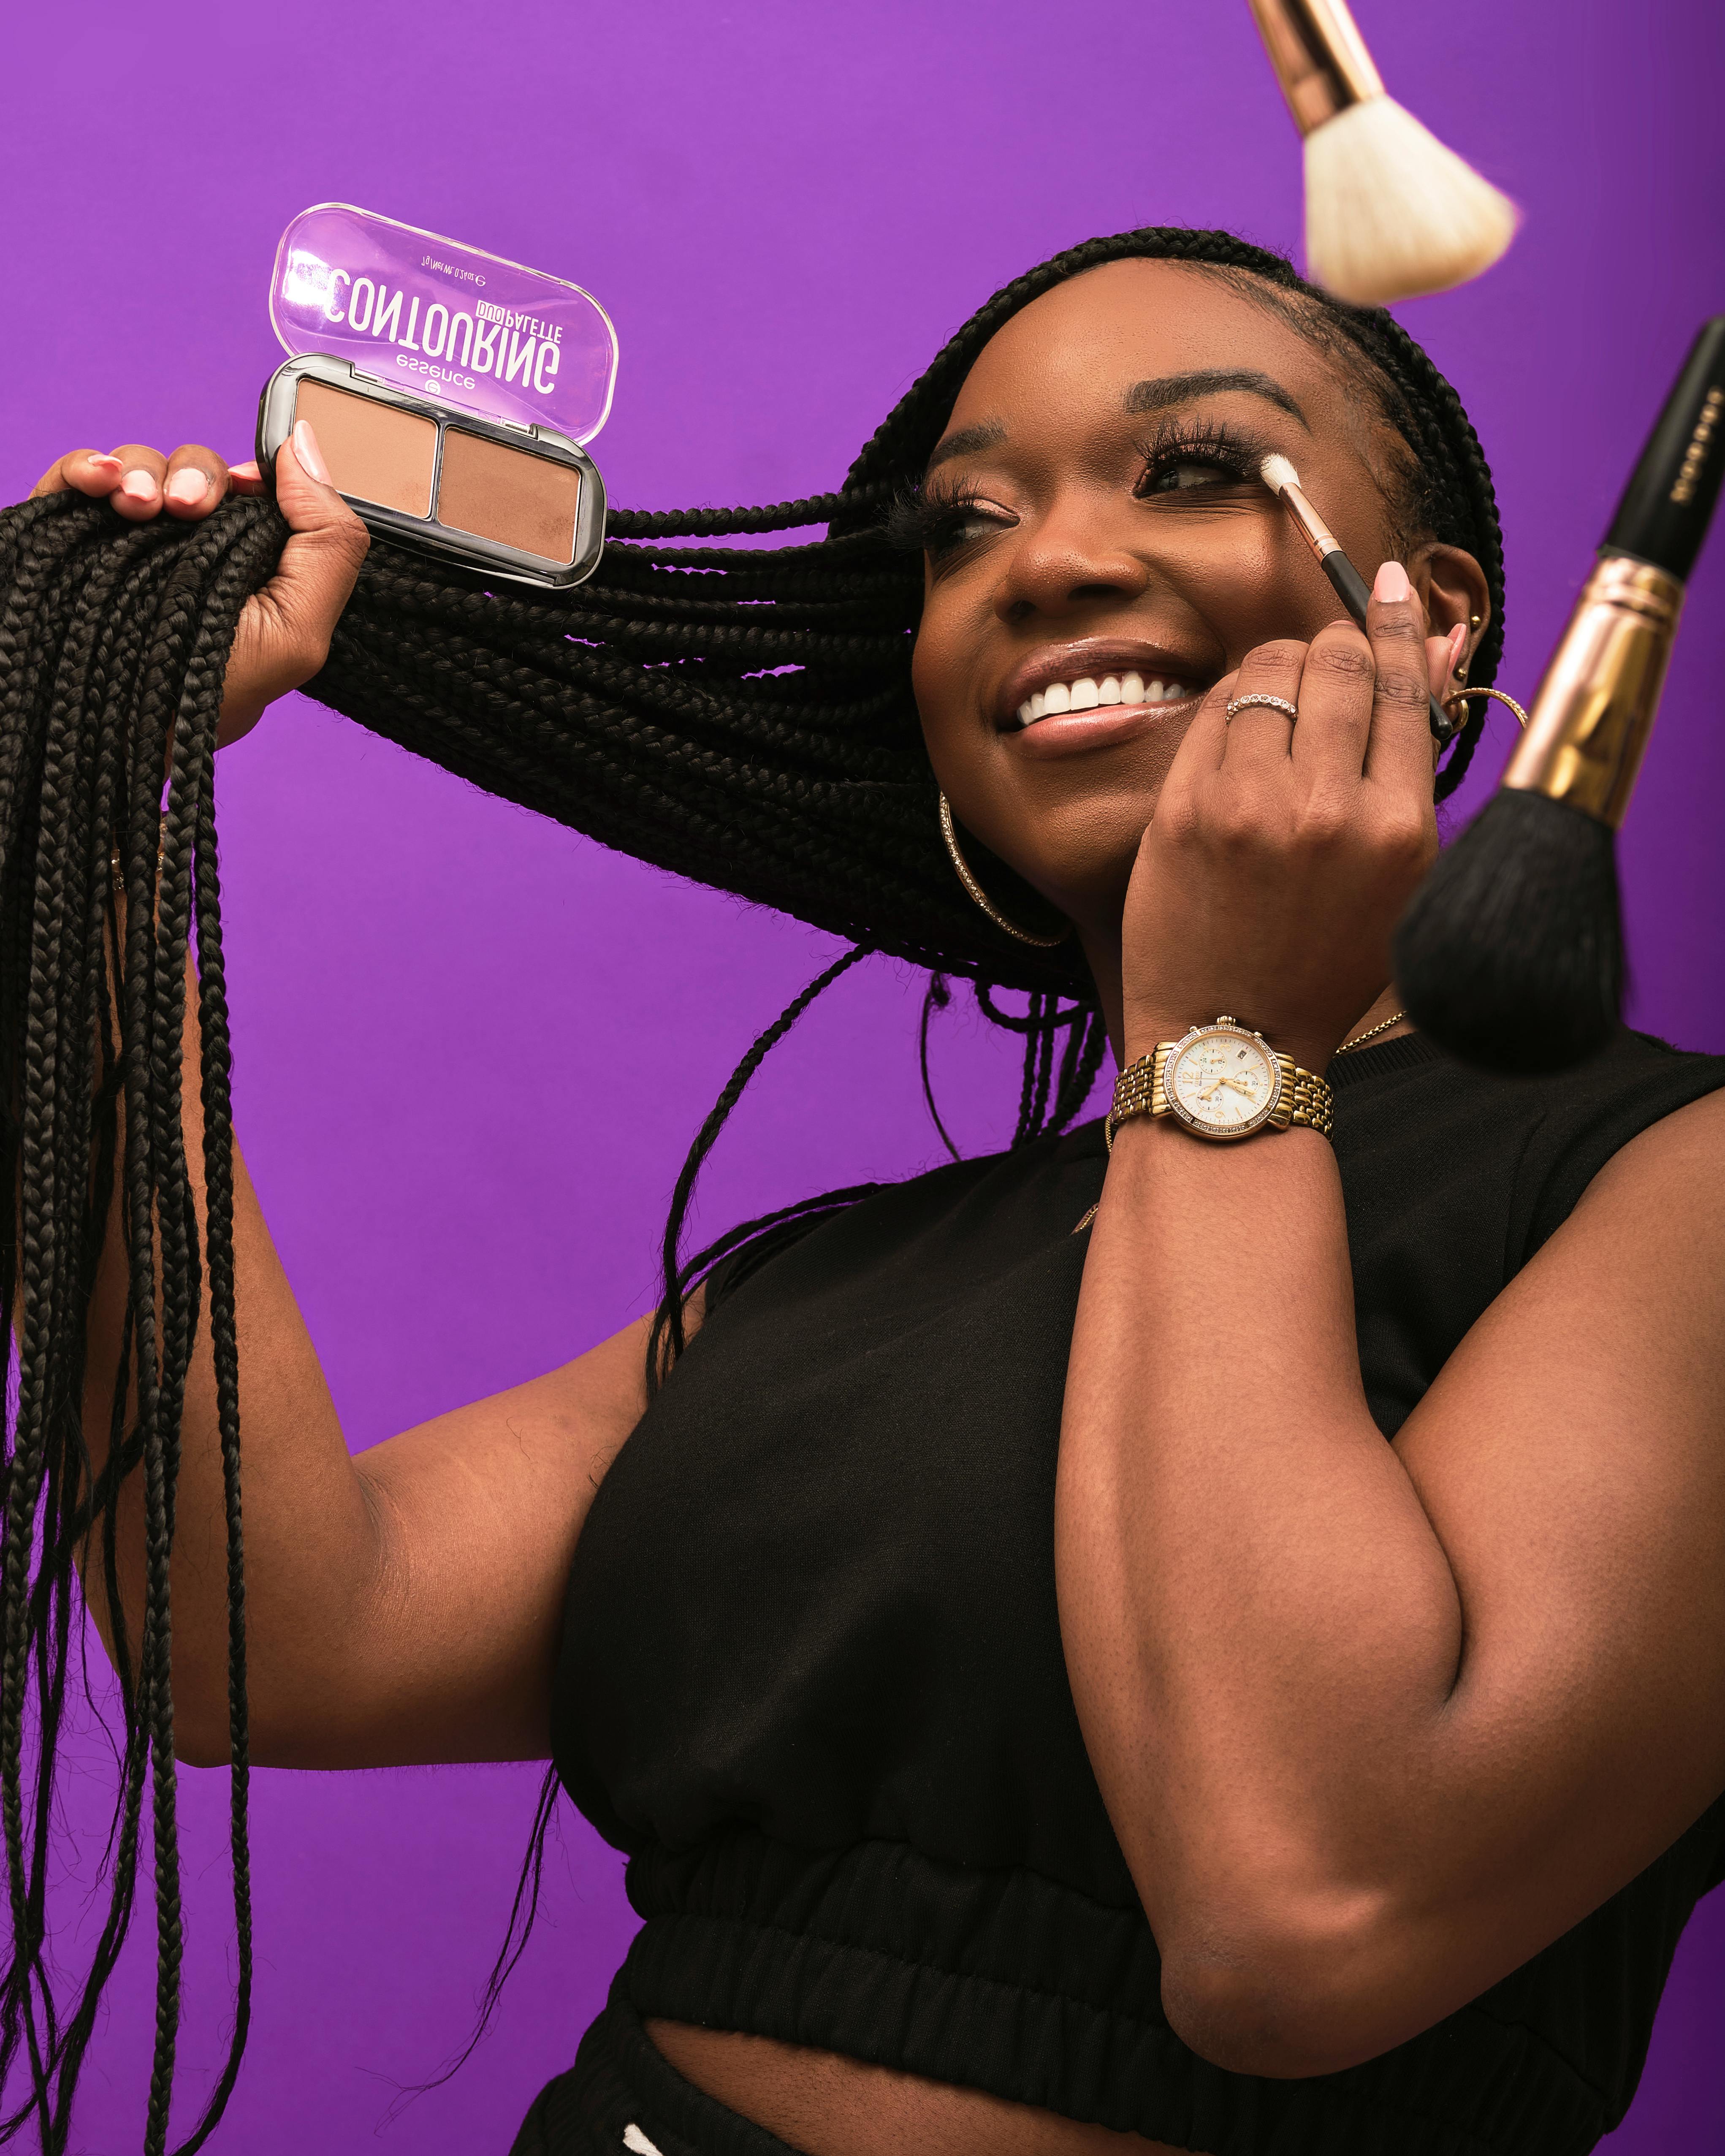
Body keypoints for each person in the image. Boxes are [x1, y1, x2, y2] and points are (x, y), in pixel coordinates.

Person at [23, 229, 1725, 2156]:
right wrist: (91, 814)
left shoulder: (1670, 1188)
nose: (1047, 562)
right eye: (961, 528)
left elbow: (1295, 1914)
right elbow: (264, 1637)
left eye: (1188, 468)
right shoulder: (843, 1281)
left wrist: (1222, 1031)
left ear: (1434, 622)